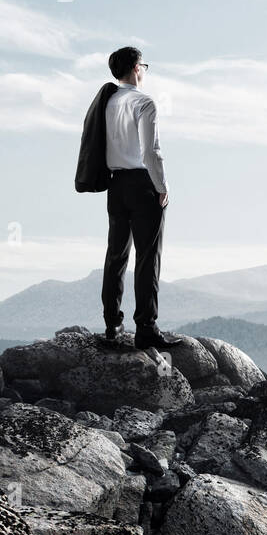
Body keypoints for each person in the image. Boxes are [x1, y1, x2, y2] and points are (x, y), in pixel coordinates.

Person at [88, 46, 181, 349]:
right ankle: (146, 329)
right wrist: (162, 187)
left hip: (116, 185)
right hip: (143, 184)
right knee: (147, 257)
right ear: (136, 68)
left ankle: (112, 327)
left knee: (115, 256)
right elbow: (149, 151)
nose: (144, 70)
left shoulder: (108, 102)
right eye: (144, 65)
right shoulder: (144, 102)